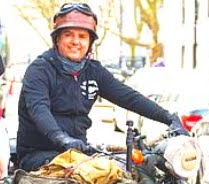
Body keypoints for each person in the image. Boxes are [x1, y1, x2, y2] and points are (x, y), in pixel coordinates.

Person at [17, 3, 188, 170]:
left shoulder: (93, 70)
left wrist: (168, 118)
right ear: (57, 39)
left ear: (90, 42)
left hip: (78, 154)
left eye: (82, 36)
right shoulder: (40, 70)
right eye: (68, 34)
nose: (76, 41)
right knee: (93, 179)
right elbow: (39, 109)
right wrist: (62, 138)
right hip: (39, 154)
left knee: (135, 174)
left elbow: (129, 97)